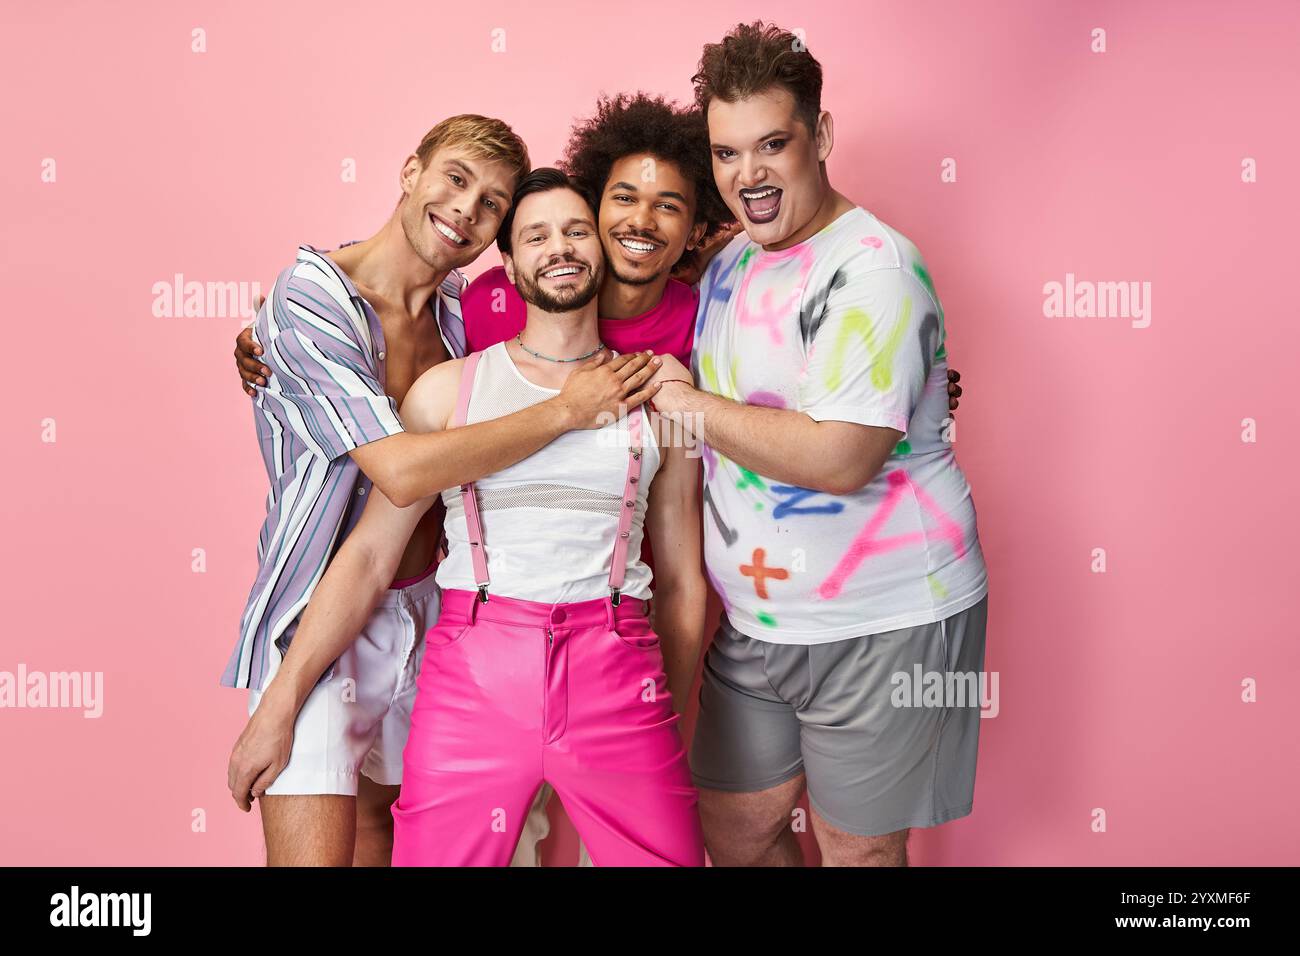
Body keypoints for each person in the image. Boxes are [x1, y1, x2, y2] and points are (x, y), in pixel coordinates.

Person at [235, 168, 708, 866]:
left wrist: (665, 713)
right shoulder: (450, 389)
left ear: (602, 252)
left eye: (578, 231)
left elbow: (684, 580)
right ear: (508, 266)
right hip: (474, 675)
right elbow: (368, 557)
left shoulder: (660, 386)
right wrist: (279, 702)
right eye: (536, 235)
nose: (561, 248)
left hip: (619, 668)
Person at [647, 22, 990, 867]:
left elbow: (841, 458)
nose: (747, 175)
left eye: (773, 145)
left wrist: (688, 403)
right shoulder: (729, 262)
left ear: (821, 136)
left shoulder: (873, 267)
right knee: (732, 833)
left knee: (854, 852)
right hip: (760, 624)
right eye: (726, 155)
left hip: (887, 617)